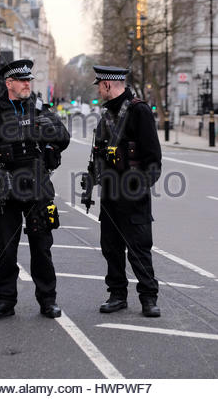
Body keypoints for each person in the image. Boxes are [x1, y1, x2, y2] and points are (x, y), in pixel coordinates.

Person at [0, 59, 70, 320]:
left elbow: (64, 139)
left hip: (37, 188)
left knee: (41, 247)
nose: (27, 84)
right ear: (9, 83)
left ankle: (48, 300)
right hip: (5, 190)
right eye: (22, 81)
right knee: (6, 249)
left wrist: (52, 132)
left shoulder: (40, 110)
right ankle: (5, 300)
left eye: (29, 80)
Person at [88, 65, 162, 317]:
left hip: (133, 197)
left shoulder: (139, 111)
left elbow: (153, 159)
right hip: (109, 196)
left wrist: (139, 187)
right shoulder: (105, 116)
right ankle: (117, 295)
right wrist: (91, 178)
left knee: (139, 249)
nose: (98, 89)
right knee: (111, 249)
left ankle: (149, 298)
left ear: (108, 84)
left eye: (99, 85)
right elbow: (97, 155)